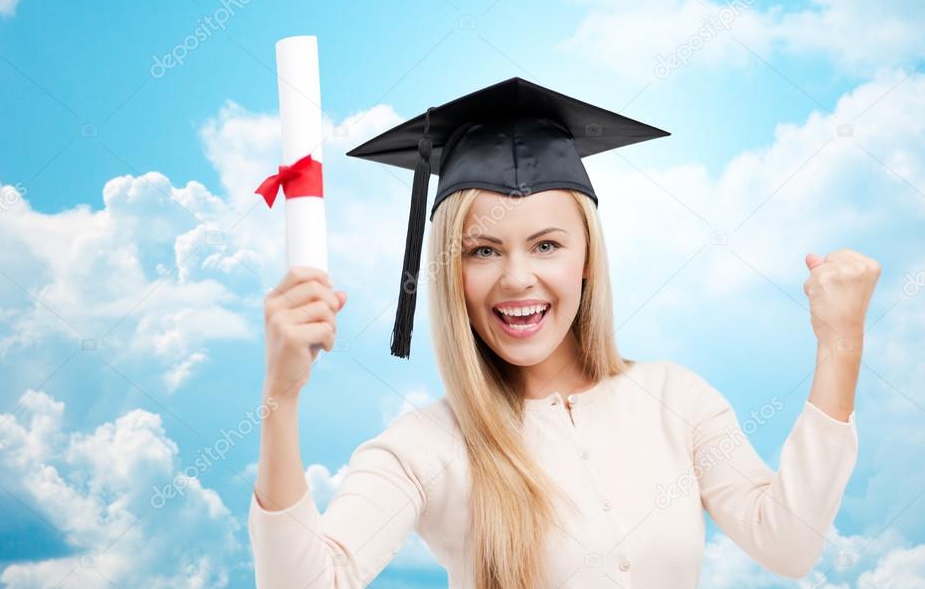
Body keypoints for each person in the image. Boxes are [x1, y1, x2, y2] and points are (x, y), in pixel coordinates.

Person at [249, 77, 879, 589]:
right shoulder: (424, 449)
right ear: (448, 273)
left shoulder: (676, 401)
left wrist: (840, 344)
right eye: (482, 250)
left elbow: (790, 544)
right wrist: (281, 396)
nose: (516, 279)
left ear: (586, 258)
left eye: (546, 244)